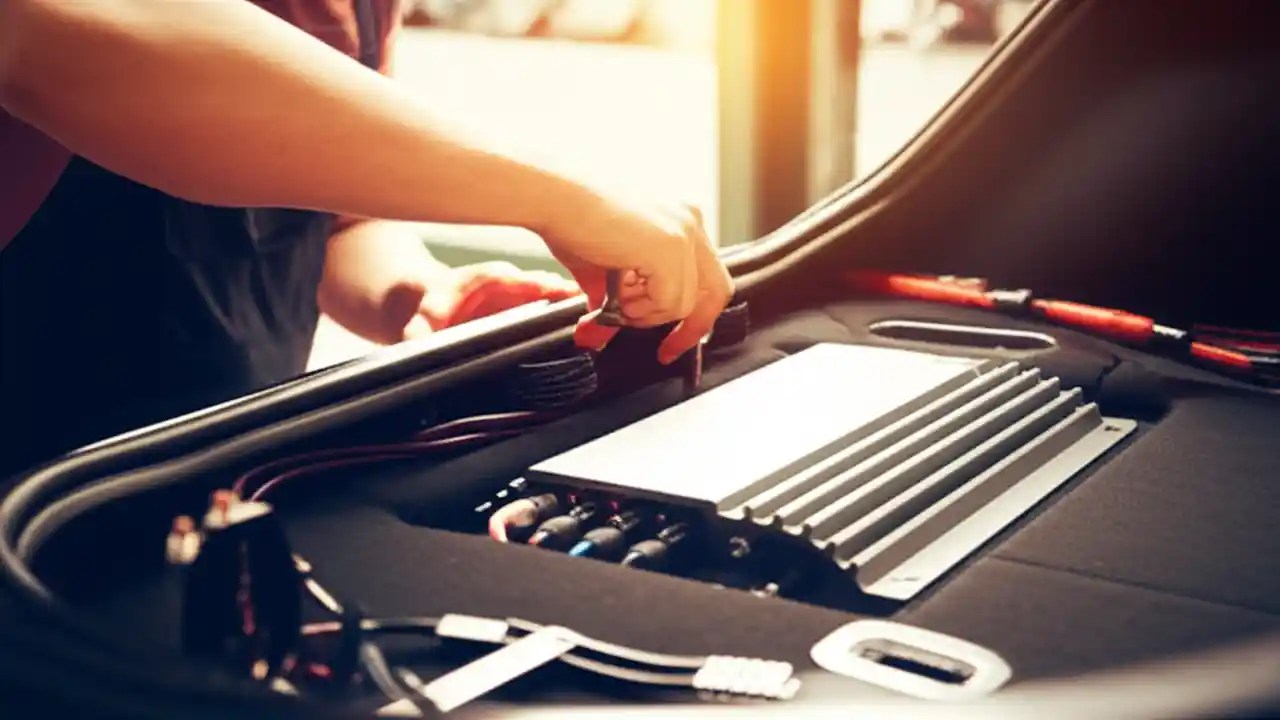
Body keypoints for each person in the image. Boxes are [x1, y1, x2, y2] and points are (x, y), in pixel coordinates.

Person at [0, 0, 732, 478]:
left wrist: (416, 294)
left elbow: (330, 215)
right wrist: (564, 198)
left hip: (216, 474)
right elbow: (70, 35)